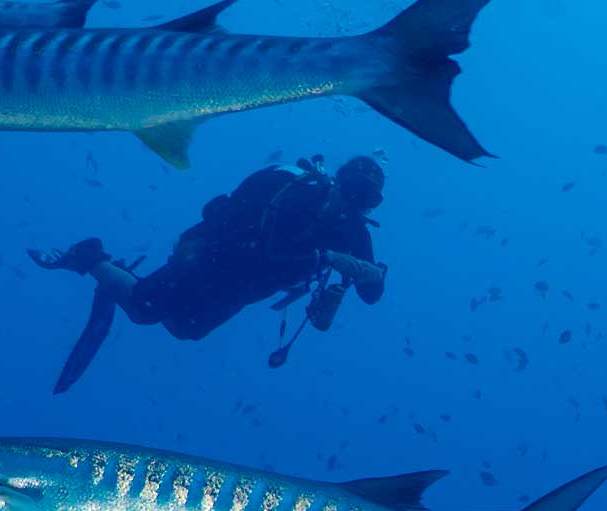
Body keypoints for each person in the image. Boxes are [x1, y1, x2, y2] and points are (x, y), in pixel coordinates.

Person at [29, 154, 388, 392]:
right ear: (338, 182)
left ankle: (117, 279)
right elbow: (271, 249)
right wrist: (327, 257)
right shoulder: (304, 196)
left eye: (366, 200)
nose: (354, 204)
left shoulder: (355, 231)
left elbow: (372, 297)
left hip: (247, 284)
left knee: (187, 329)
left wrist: (373, 273)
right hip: (213, 254)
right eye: (352, 191)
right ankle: (90, 257)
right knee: (144, 309)